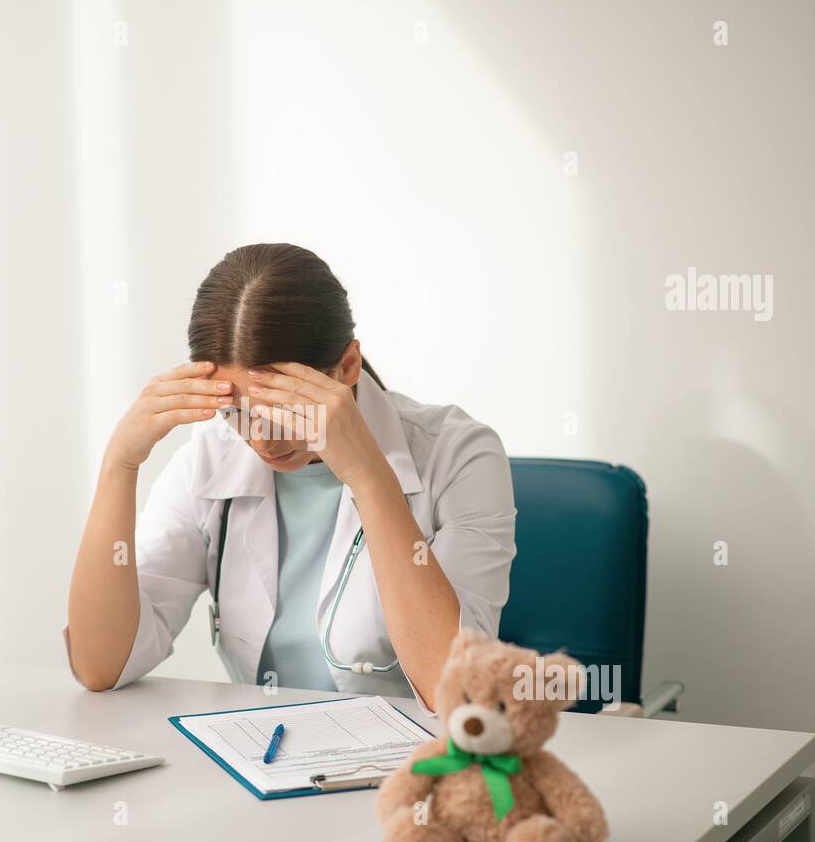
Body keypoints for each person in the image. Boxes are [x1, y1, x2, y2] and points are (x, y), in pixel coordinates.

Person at [64, 243, 515, 711]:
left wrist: (367, 475)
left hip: (411, 764)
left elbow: (457, 694)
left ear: (347, 367)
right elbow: (101, 666)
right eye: (236, 413)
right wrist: (120, 465)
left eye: (284, 411)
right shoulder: (209, 459)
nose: (262, 442)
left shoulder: (459, 453)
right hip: (264, 754)